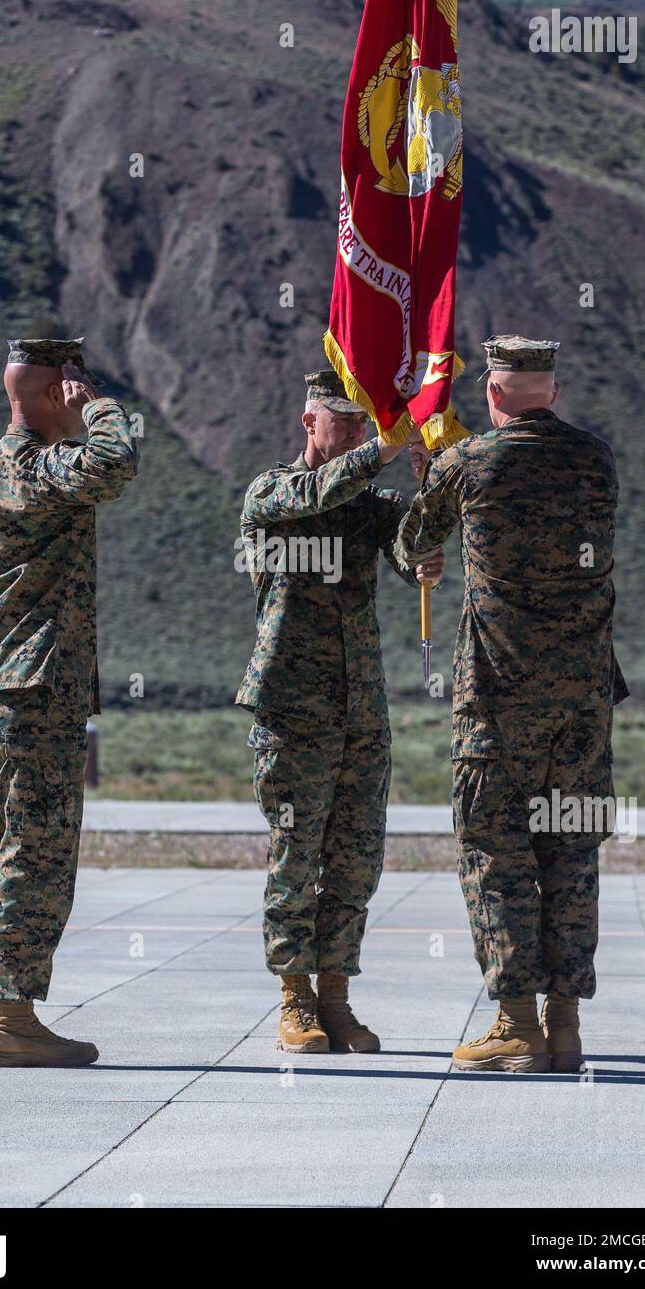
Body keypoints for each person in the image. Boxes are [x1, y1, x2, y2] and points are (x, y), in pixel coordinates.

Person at [394, 335, 628, 1073]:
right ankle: (565, 1024)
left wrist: (428, 481)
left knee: (496, 853)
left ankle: (515, 1022)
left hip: (500, 696)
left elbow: (413, 544)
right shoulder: (596, 459)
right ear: (552, 392)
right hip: (585, 698)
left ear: (492, 394)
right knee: (571, 852)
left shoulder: (469, 463)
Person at [0, 337, 139, 1067]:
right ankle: (15, 1020)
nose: (83, 394)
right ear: (58, 391)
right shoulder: (41, 469)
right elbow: (116, 463)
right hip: (35, 690)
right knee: (36, 851)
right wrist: (102, 405)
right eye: (75, 382)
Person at [236, 367, 443, 1053]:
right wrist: (379, 450)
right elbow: (321, 488)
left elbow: (411, 551)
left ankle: (337, 998)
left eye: (366, 421)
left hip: (360, 706)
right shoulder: (274, 492)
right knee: (298, 854)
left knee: (355, 860)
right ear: (310, 422)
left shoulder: (369, 503)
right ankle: (293, 999)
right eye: (346, 421)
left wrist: (430, 490)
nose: (358, 432)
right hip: (292, 707)